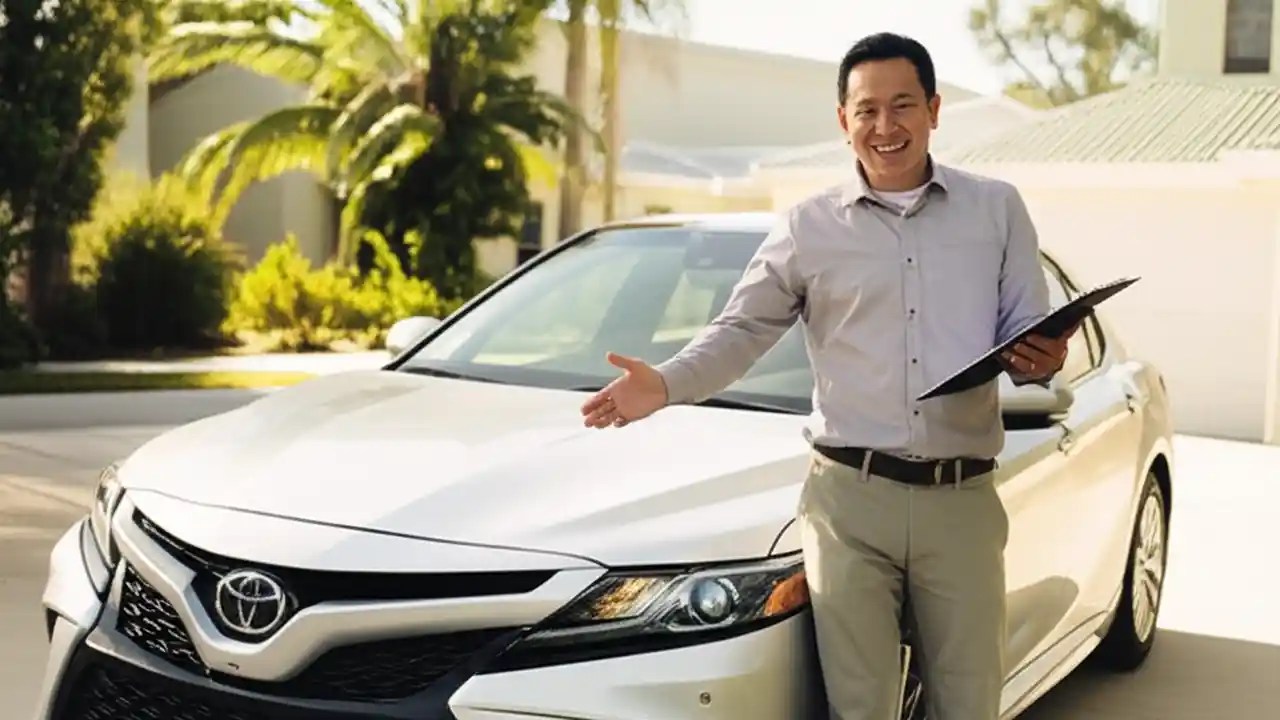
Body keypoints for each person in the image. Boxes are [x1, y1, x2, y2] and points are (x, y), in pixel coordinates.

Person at [579, 32, 1077, 720]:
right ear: (843, 121)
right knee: (860, 708)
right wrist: (663, 384)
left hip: (960, 502)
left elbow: (1031, 333)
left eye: (902, 105)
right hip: (848, 503)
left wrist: (1044, 359)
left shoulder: (997, 210)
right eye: (866, 110)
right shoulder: (807, 227)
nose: (885, 126)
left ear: (934, 109)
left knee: (969, 707)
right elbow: (742, 330)